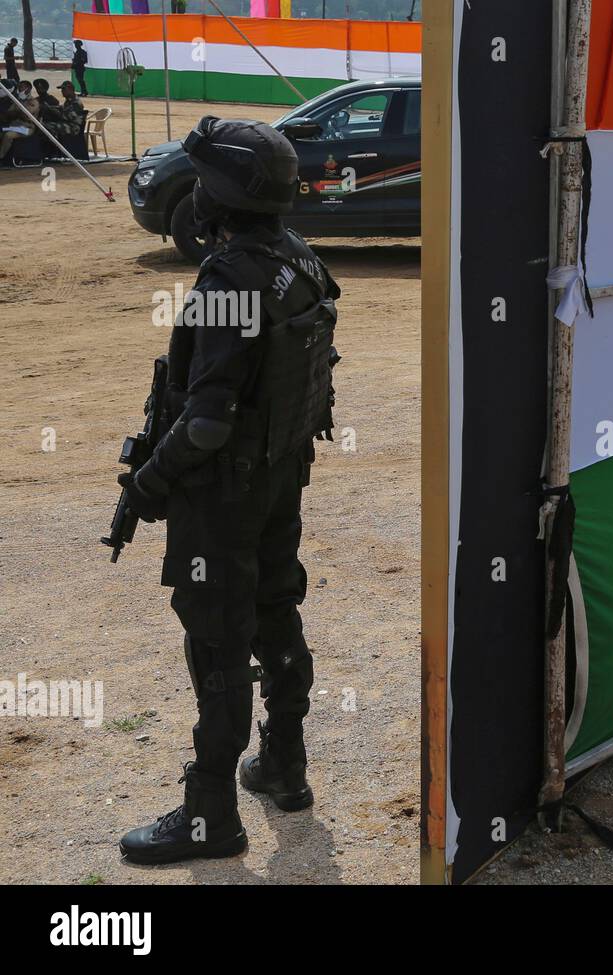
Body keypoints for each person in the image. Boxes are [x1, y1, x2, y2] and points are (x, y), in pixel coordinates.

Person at [116, 116, 341, 864]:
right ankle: (285, 762)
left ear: (224, 195)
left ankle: (211, 808)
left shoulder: (227, 281)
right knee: (275, 604)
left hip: (226, 491)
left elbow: (207, 420)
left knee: (217, 634)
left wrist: (147, 484)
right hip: (280, 476)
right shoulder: (301, 262)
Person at [0, 80, 38, 161]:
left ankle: (1, 157)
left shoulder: (33, 101)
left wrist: (16, 113)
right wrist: (15, 113)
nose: (19, 89)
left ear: (28, 89)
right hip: (14, 126)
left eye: (21, 87)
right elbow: (9, 113)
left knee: (8, 135)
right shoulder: (17, 101)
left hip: (27, 128)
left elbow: (25, 114)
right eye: (18, 87)